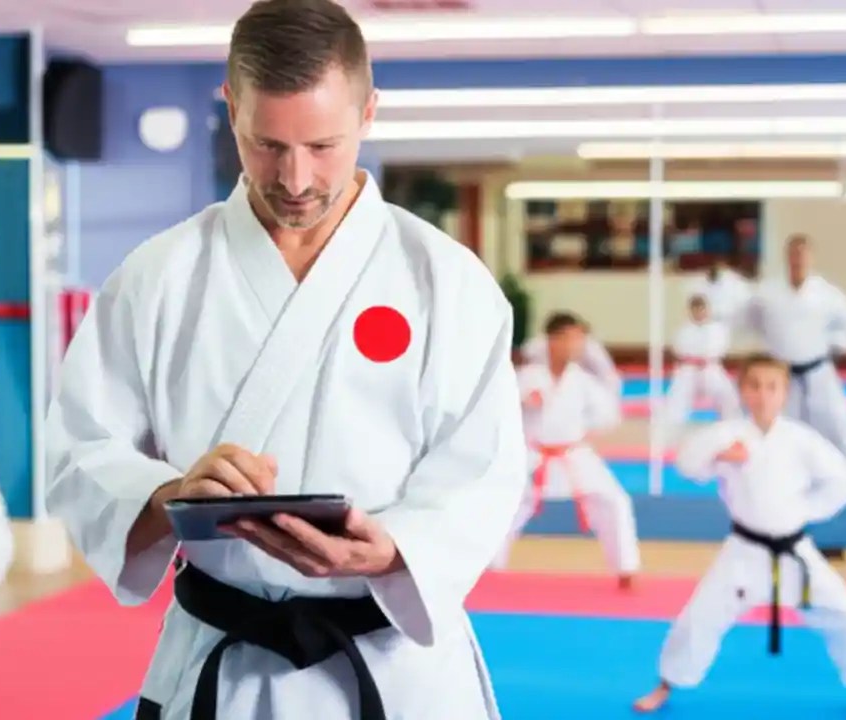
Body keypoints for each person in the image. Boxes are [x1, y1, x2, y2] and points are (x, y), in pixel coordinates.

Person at [43, 2, 526, 718]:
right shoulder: (158, 276)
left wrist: (393, 550)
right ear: (232, 106)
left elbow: (485, 470)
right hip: (224, 659)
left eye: (323, 146)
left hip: (395, 667)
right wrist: (166, 494)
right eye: (267, 145)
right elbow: (81, 449)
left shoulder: (445, 282)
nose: (296, 179)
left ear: (368, 112)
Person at [631, 355, 846, 720]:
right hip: (743, 552)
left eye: (772, 387)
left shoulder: (801, 438)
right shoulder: (728, 433)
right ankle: (667, 684)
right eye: (753, 385)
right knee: (698, 618)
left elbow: (844, 481)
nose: (762, 394)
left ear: (784, 393)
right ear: (742, 390)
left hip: (796, 550)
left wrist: (807, 510)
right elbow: (687, 464)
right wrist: (719, 455)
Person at [492, 312, 641, 590]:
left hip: (573, 454)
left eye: (579, 340)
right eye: (570, 338)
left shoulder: (582, 380)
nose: (576, 345)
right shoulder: (528, 375)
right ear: (552, 341)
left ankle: (626, 569)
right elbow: (499, 408)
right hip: (533, 456)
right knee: (504, 508)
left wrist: (584, 427)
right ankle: (491, 569)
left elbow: (609, 414)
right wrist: (524, 402)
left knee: (614, 500)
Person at [739, 234, 846, 465]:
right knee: (774, 430)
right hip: (781, 373)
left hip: (818, 369)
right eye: (794, 254)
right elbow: (750, 320)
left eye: (803, 254)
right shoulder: (767, 293)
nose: (798, 259)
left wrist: (836, 344)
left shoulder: (827, 294)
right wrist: (771, 342)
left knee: (840, 427)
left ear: (811, 258)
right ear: (787, 257)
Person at [665, 294, 740, 438]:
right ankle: (671, 429)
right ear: (690, 311)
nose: (699, 313)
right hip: (689, 370)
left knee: (728, 396)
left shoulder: (718, 329)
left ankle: (731, 428)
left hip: (711, 368)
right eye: (695, 309)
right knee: (676, 398)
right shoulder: (683, 330)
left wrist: (705, 359)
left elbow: (721, 350)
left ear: (707, 310)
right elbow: (678, 351)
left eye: (701, 309)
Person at [520, 325, 623, 395]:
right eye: (562, 339)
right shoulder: (535, 348)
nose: (568, 345)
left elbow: (610, 379)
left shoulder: (592, 349)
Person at [684, 256, 753, 327]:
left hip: (730, 325)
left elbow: (744, 307)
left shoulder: (737, 282)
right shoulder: (697, 284)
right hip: (704, 325)